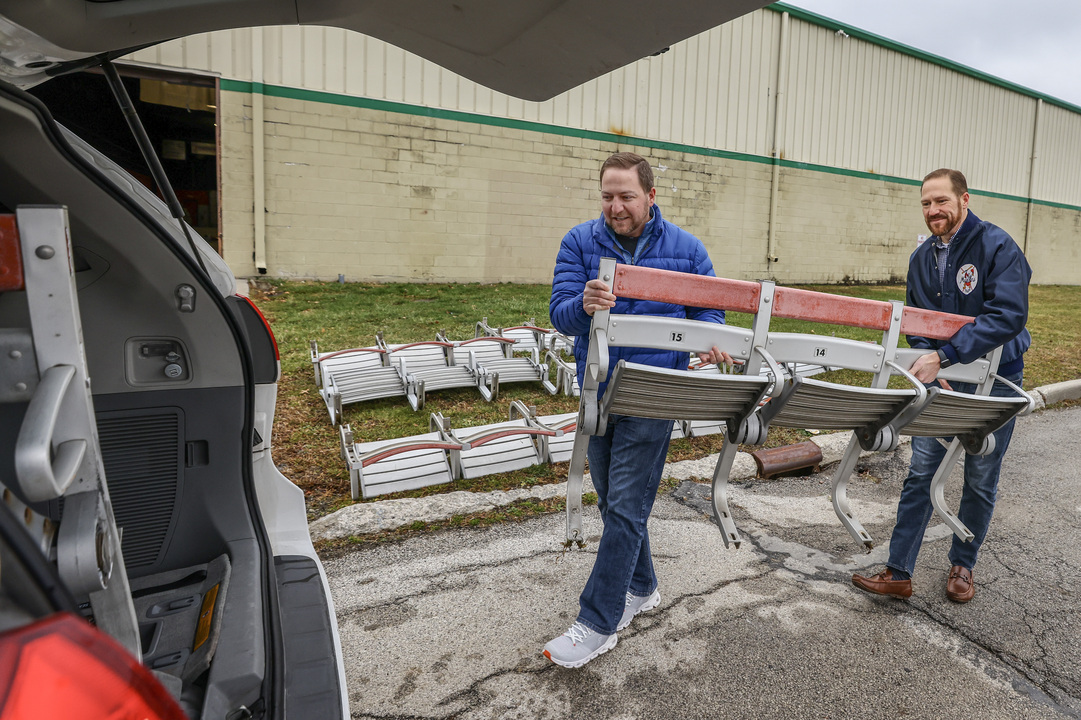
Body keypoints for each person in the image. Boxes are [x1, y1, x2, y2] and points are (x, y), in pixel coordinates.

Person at [544, 152, 732, 668]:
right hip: (600, 389)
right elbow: (560, 315)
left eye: (626, 196)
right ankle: (644, 585)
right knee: (612, 499)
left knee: (626, 505)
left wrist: (710, 339)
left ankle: (597, 622)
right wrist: (582, 305)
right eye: (607, 195)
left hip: (655, 393)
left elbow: (709, 312)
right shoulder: (580, 242)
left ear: (650, 196)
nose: (615, 206)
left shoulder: (686, 249)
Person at [852, 168, 1031, 603]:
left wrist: (946, 356)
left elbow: (1008, 315)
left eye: (941, 202)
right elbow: (917, 323)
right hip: (943, 382)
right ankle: (899, 571)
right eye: (926, 204)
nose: (933, 211)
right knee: (921, 471)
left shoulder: (998, 246)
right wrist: (929, 359)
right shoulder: (921, 258)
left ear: (963, 199)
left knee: (981, 477)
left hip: (996, 382)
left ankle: (962, 566)